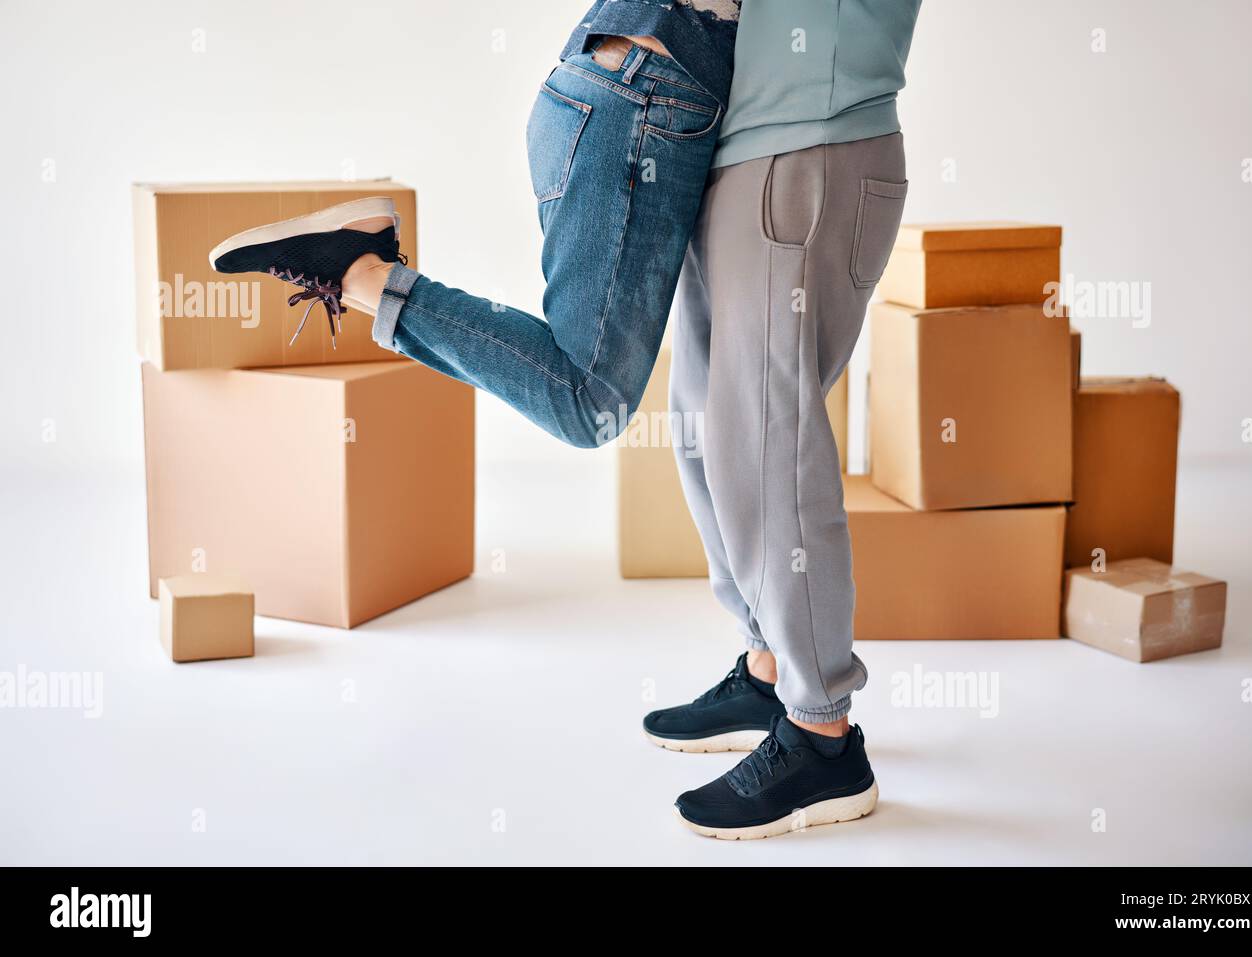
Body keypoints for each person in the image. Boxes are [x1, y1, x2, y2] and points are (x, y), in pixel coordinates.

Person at [209, 1, 742, 447]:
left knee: (597, 396)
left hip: (614, 95)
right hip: (644, 101)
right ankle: (356, 267)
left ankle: (362, 261)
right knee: (590, 402)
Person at [642, 0, 922, 839]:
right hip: (735, 145)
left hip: (811, 140)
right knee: (702, 428)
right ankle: (770, 668)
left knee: (769, 448)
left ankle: (821, 736)